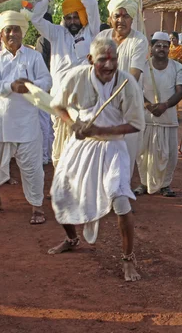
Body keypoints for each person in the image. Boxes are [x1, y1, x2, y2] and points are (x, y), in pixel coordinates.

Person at [48, 38, 145, 282]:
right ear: (91, 60)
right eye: (103, 59)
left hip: (113, 149)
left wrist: (101, 131)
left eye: (113, 58)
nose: (109, 64)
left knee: (121, 202)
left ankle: (128, 259)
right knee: (60, 194)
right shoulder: (76, 77)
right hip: (80, 147)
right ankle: (71, 238)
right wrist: (74, 124)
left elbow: (135, 124)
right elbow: (58, 106)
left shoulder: (127, 82)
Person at [0, 11, 52, 225]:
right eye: (8, 30)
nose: (12, 33)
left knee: (32, 167)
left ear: (22, 33)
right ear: (3, 34)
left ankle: (37, 207)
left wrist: (31, 86)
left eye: (16, 29)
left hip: (26, 120)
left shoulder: (33, 56)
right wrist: (12, 86)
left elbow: (46, 79)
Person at [31, 0, 100, 167]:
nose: (72, 21)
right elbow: (36, 19)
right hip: (61, 99)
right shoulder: (56, 33)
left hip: (85, 100)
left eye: (76, 17)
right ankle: (62, 186)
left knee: (83, 144)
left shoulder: (91, 31)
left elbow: (91, 4)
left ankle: (79, 188)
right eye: (68, 17)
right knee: (60, 145)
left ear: (83, 16)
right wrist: (46, 0)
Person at [96, 0, 148, 177]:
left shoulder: (139, 41)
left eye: (126, 16)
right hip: (102, 107)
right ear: (110, 18)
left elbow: (134, 76)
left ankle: (120, 202)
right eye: (117, 15)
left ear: (132, 19)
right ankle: (104, 200)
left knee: (125, 156)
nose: (121, 20)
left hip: (128, 109)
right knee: (102, 157)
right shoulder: (101, 38)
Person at [134, 32, 182, 197]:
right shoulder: (142, 67)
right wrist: (148, 105)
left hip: (168, 118)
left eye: (165, 46)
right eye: (158, 46)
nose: (162, 49)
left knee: (169, 154)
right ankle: (143, 183)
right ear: (152, 47)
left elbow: (180, 92)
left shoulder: (178, 68)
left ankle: (165, 185)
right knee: (143, 154)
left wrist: (165, 105)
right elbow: (135, 89)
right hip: (146, 118)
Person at [33, 10, 56, 166]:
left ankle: (44, 156)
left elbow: (41, 66)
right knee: (53, 124)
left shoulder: (42, 40)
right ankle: (51, 154)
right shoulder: (59, 37)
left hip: (45, 86)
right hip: (57, 85)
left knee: (44, 123)